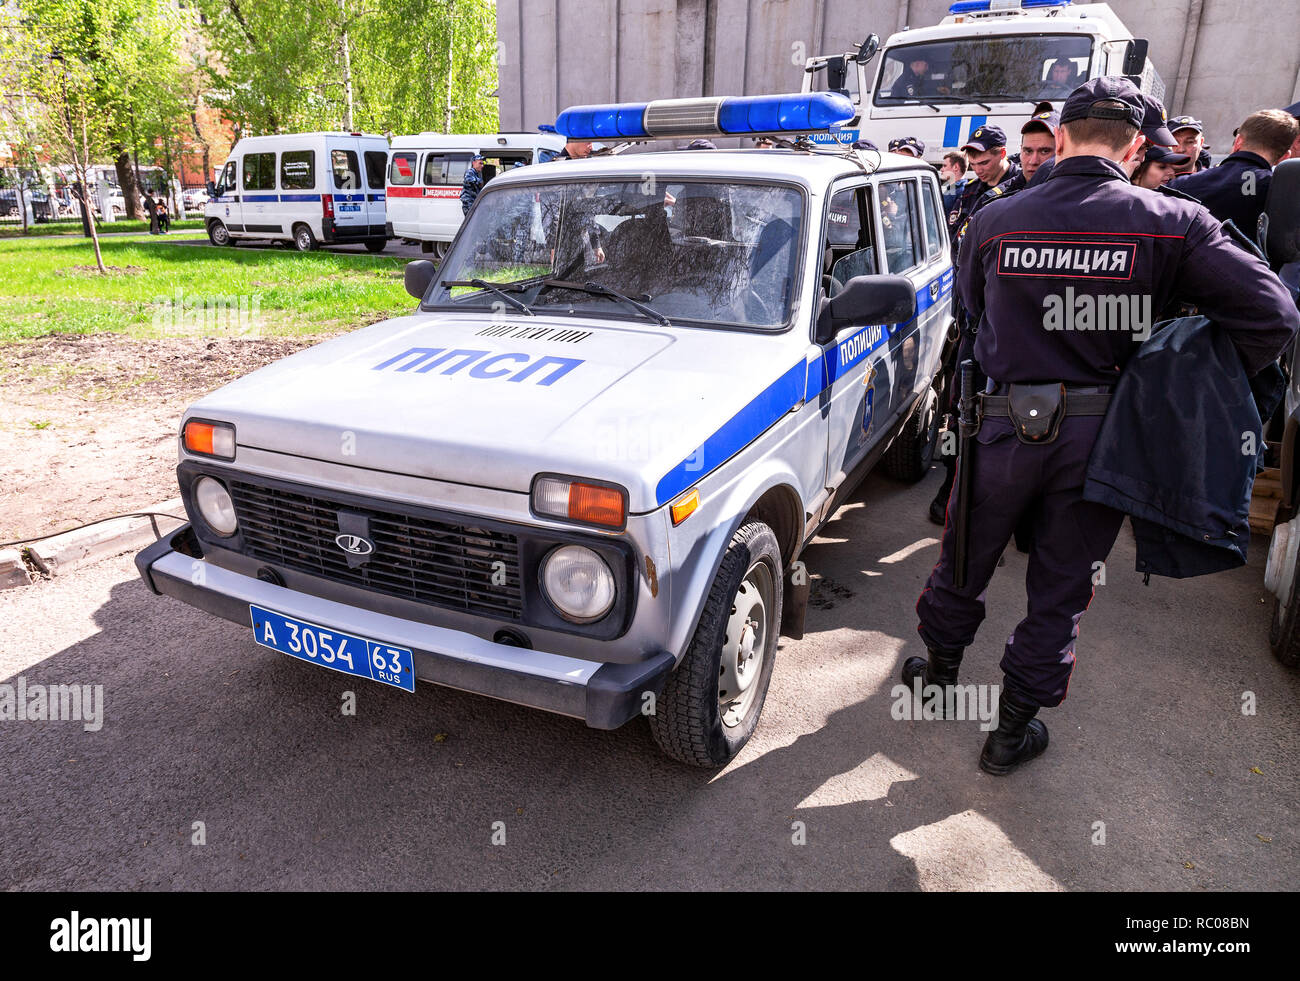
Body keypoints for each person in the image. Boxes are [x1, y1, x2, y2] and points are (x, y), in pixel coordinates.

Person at [908, 76, 1299, 775]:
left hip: (997, 424)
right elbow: (1273, 314)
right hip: (1099, 438)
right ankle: (1009, 731)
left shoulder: (997, 220)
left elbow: (971, 314)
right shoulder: (1171, 221)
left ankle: (938, 681)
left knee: (963, 555)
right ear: (1137, 145)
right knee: (1061, 586)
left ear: (1060, 138)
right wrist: (1185, 368)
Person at [1171, 109, 1299, 234]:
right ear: (1284, 157)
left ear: (1238, 142)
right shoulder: (1282, 196)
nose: (1181, 149)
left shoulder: (1179, 186)